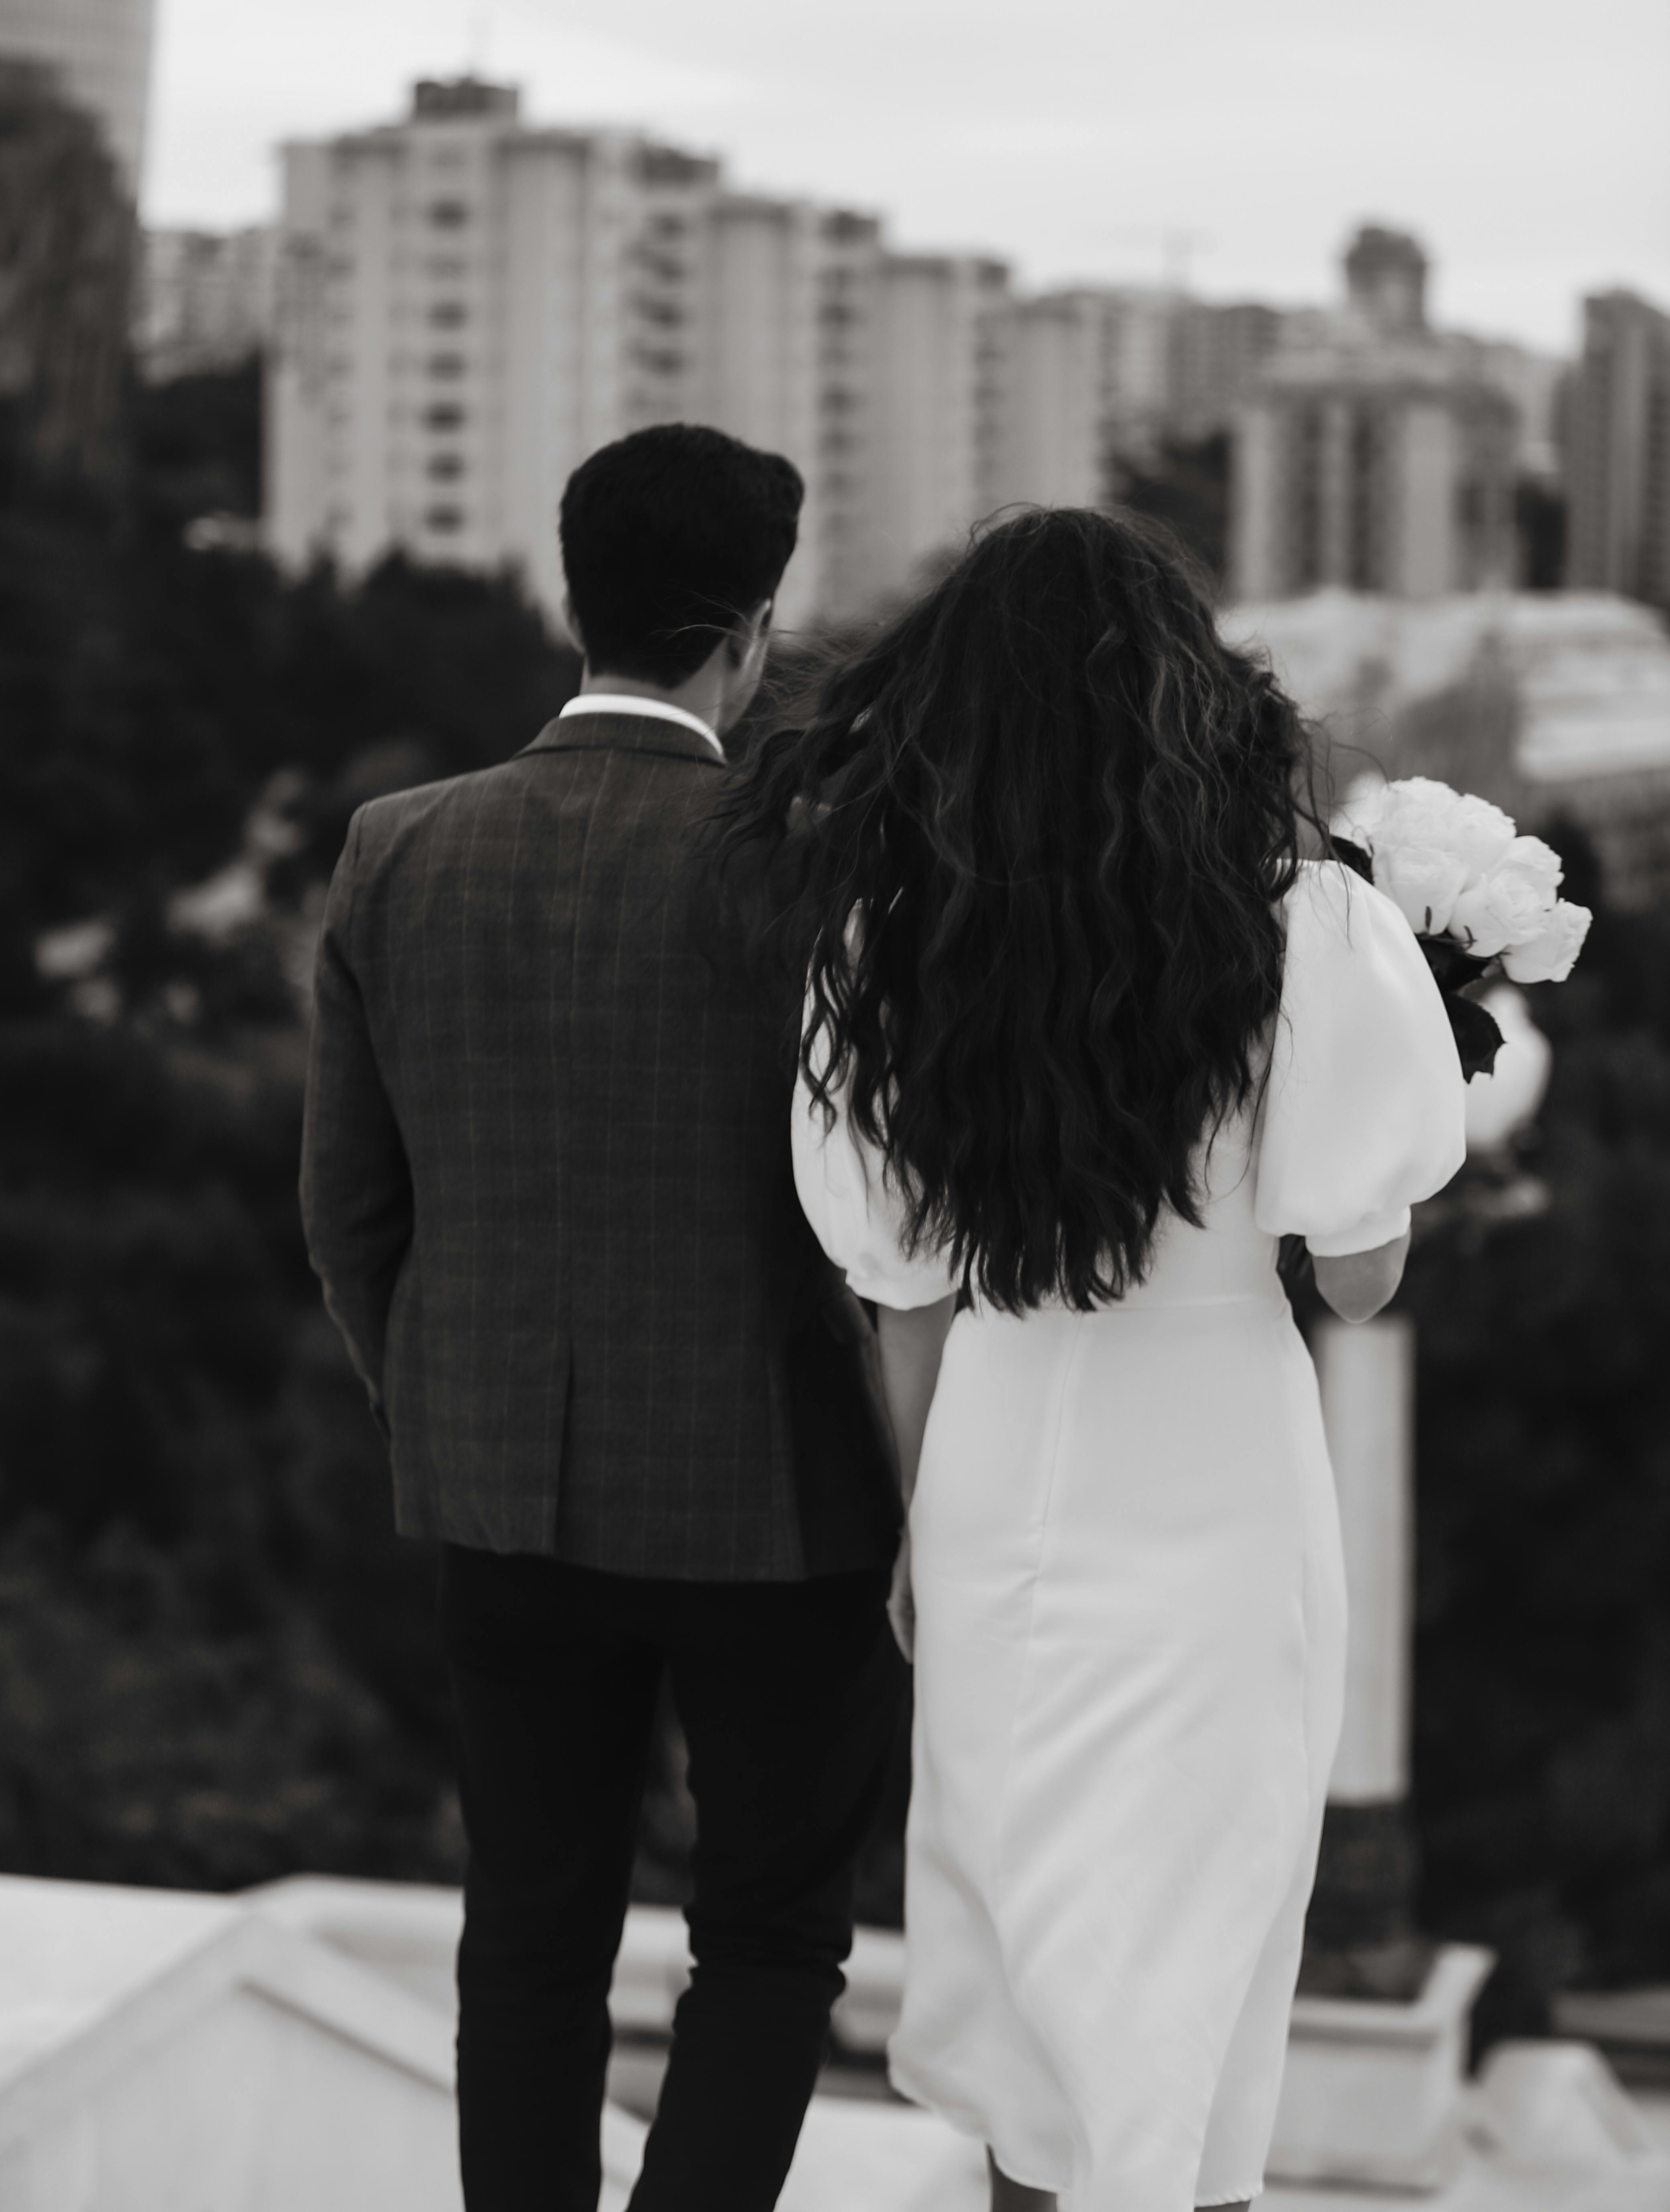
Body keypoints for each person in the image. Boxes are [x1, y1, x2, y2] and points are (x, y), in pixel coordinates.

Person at [720, 506, 1466, 2212]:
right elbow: (1355, 1283)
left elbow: (896, 1289)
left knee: (1027, 1919)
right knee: (1200, 1929)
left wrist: (922, 1526)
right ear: (1185, 694)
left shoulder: (880, 943)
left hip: (1002, 1450)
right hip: (1222, 1460)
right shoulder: (1305, 926)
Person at [299, 422, 904, 2212]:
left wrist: (444, 1406)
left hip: (496, 1495)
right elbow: (879, 1214)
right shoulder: (815, 866)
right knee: (771, 1938)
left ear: (578, 603)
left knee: (530, 1935)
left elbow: (349, 1215)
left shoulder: (394, 850)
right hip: (780, 1502)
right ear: (755, 629)